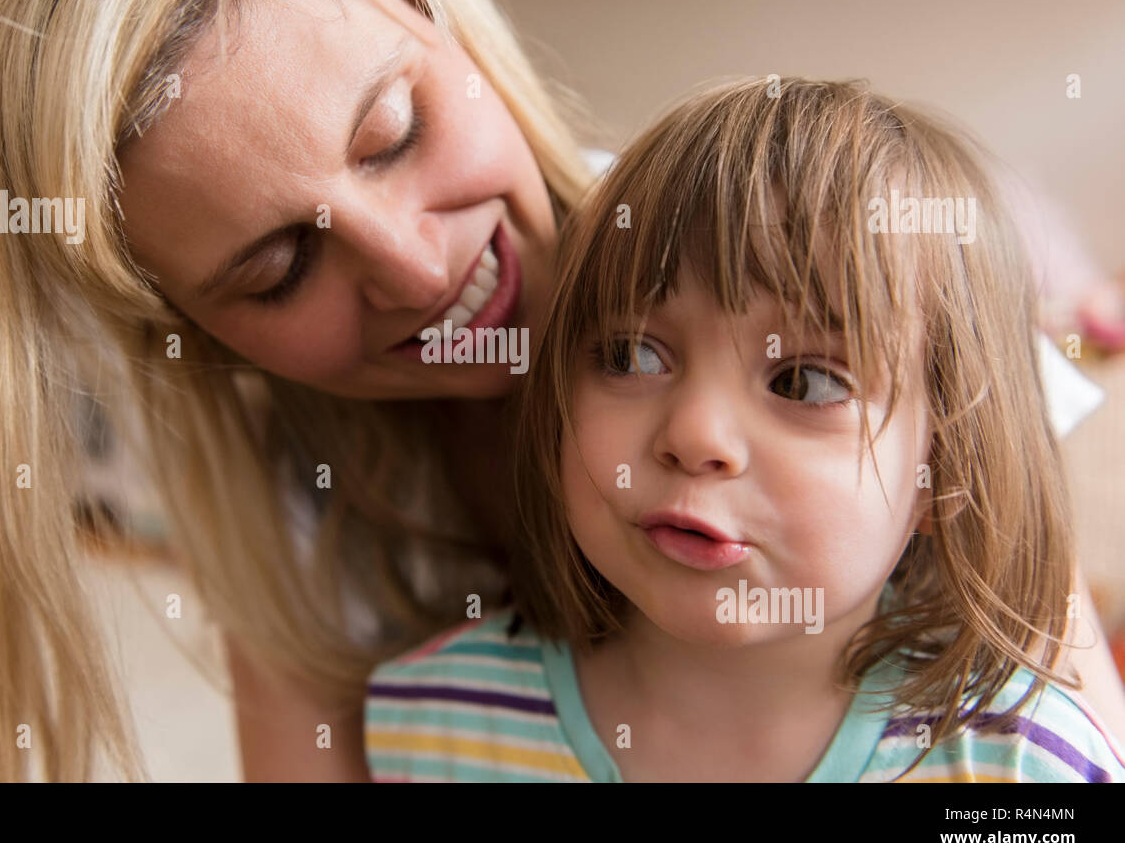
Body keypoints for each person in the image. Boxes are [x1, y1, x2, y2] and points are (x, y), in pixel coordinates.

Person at [0, 0, 1122, 781]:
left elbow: (1053, 689)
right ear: (198, 335)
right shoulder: (296, 515)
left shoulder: (813, 269)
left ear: (442, 16)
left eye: (392, 134)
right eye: (280, 270)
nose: (419, 268)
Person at [363, 78, 1125, 782]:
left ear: (944, 472)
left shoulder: (1020, 765)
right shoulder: (431, 725)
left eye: (806, 380)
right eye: (633, 355)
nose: (696, 434)